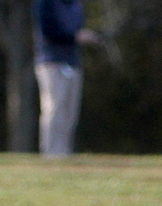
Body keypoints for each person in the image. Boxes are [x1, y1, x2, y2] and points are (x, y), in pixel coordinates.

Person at [32, 0, 98, 157]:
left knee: (70, 111)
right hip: (51, 61)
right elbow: (47, 30)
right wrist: (74, 36)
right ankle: (51, 153)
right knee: (54, 107)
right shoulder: (45, 3)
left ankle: (64, 153)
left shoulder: (75, 4)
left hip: (72, 62)